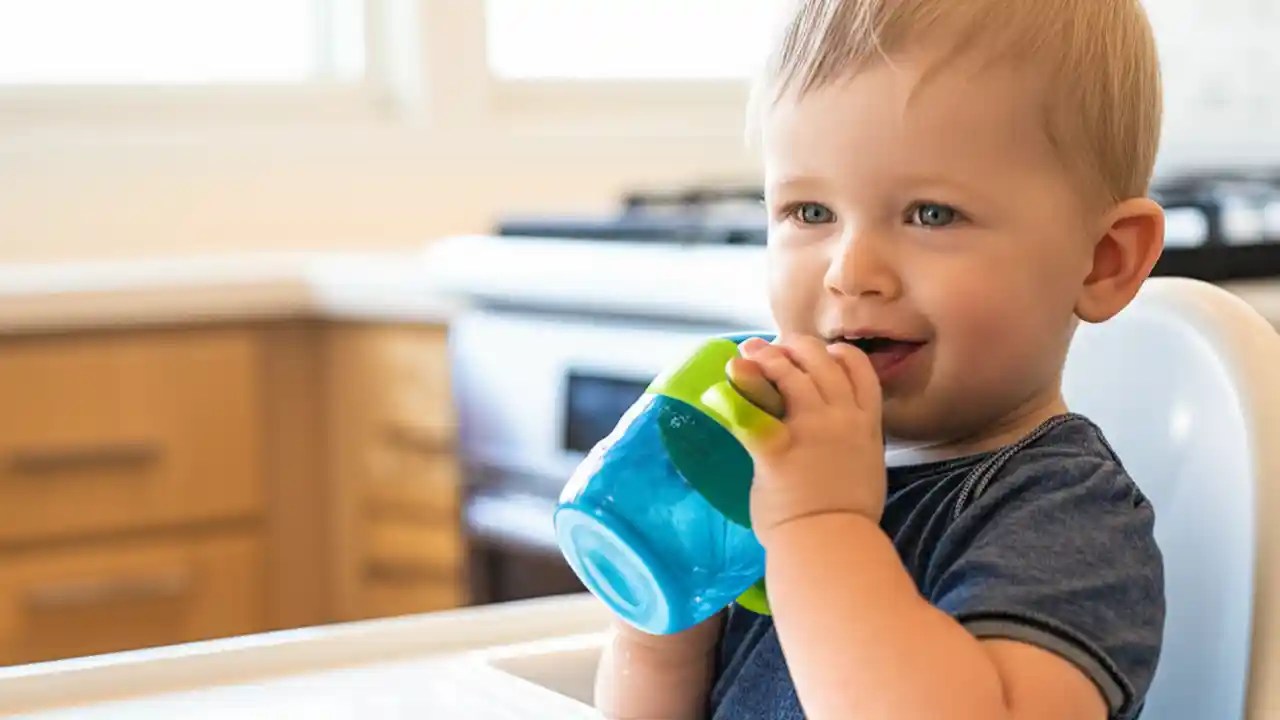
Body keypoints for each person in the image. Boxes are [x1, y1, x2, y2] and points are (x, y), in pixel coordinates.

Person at [594, 0, 1168, 717]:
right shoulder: (779, 476)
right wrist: (666, 619)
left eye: (931, 214)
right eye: (810, 213)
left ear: (1101, 262)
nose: (849, 270)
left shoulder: (1064, 514)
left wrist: (820, 526)